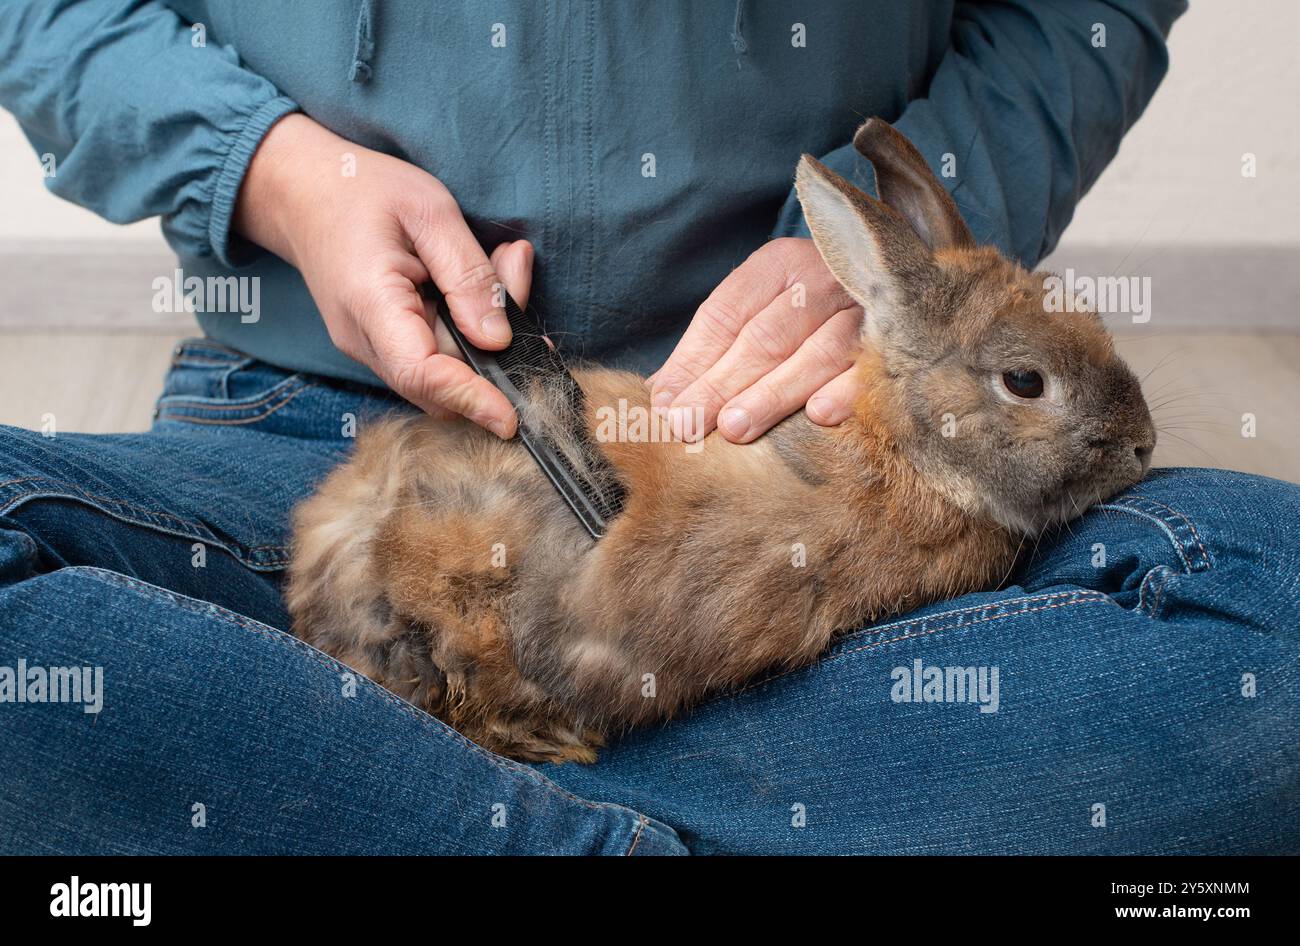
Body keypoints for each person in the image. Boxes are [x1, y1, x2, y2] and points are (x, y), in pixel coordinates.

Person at [0, 1, 1294, 855]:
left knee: (1273, 607)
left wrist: (896, 269)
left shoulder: (922, 394)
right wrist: (274, 168)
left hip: (806, 404)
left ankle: (352, 775)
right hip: (328, 437)